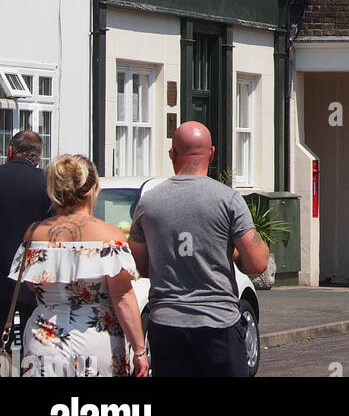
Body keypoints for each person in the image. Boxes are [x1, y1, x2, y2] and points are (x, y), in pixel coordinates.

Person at [128, 121, 268, 376]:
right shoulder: (229, 200)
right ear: (212, 153)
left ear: (172, 154)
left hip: (167, 324)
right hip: (218, 324)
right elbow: (257, 263)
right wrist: (232, 253)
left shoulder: (148, 203)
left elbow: (141, 264)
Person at [10, 153, 148, 377]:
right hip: (94, 337)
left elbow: (31, 285)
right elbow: (123, 297)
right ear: (93, 187)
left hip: (43, 337)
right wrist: (140, 351)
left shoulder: (34, 233)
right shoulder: (109, 235)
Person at [0, 130, 50, 329]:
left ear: (10, 150)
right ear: (38, 158)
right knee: (34, 343)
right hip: (33, 277)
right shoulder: (47, 182)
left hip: (1, 277)